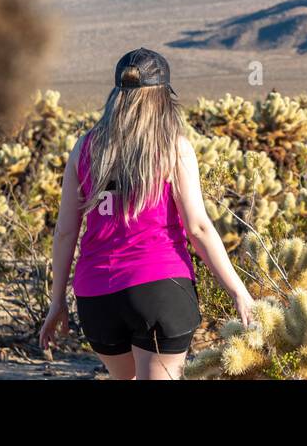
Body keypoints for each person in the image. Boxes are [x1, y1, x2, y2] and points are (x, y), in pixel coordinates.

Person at [38, 47, 254, 379]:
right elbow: (198, 228)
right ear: (164, 96)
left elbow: (66, 231)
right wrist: (239, 292)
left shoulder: (85, 148)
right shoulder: (172, 147)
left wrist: (57, 302)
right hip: (160, 288)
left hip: (97, 294)